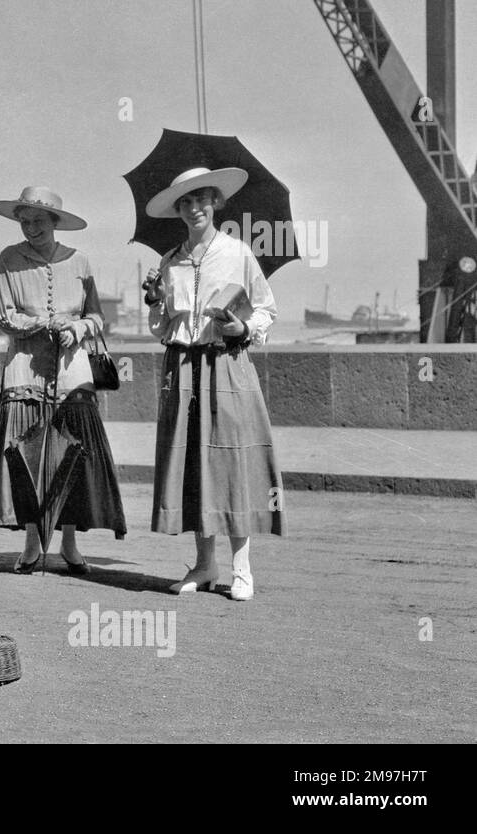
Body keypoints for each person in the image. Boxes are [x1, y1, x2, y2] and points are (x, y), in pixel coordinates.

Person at [141, 166, 284, 602]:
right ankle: (205, 565)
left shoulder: (238, 252)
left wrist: (243, 328)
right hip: (182, 367)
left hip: (227, 363)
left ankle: (241, 568)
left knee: (232, 463)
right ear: (178, 209)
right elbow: (160, 327)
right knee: (192, 465)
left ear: (217, 203)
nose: (194, 207)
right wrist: (156, 301)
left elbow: (266, 311)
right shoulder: (169, 262)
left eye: (201, 199)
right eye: (185, 202)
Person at [0, 186, 126, 572]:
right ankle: (31, 541)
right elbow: (4, 314)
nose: (30, 227)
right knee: (26, 456)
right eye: (24, 221)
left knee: (72, 456)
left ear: (55, 222)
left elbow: (97, 317)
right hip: (24, 369)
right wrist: (45, 322)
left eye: (38, 221)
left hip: (72, 373)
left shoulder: (80, 261)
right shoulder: (9, 258)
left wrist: (77, 329)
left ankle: (70, 544)